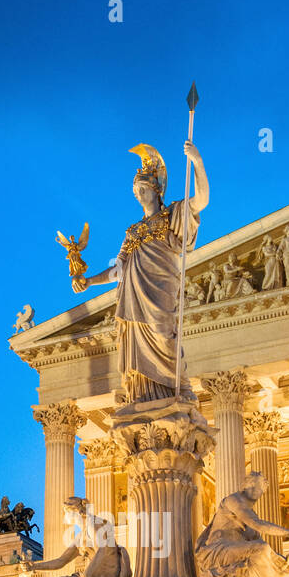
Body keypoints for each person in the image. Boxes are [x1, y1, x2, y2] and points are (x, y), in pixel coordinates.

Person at [72, 139, 209, 402]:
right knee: (135, 349)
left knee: (164, 337)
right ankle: (143, 398)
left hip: (160, 293)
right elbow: (118, 270)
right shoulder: (133, 231)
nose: (138, 195)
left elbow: (201, 200)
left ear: (156, 190)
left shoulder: (172, 216)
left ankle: (179, 389)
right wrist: (89, 281)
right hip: (134, 302)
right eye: (135, 191)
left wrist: (197, 162)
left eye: (142, 189)